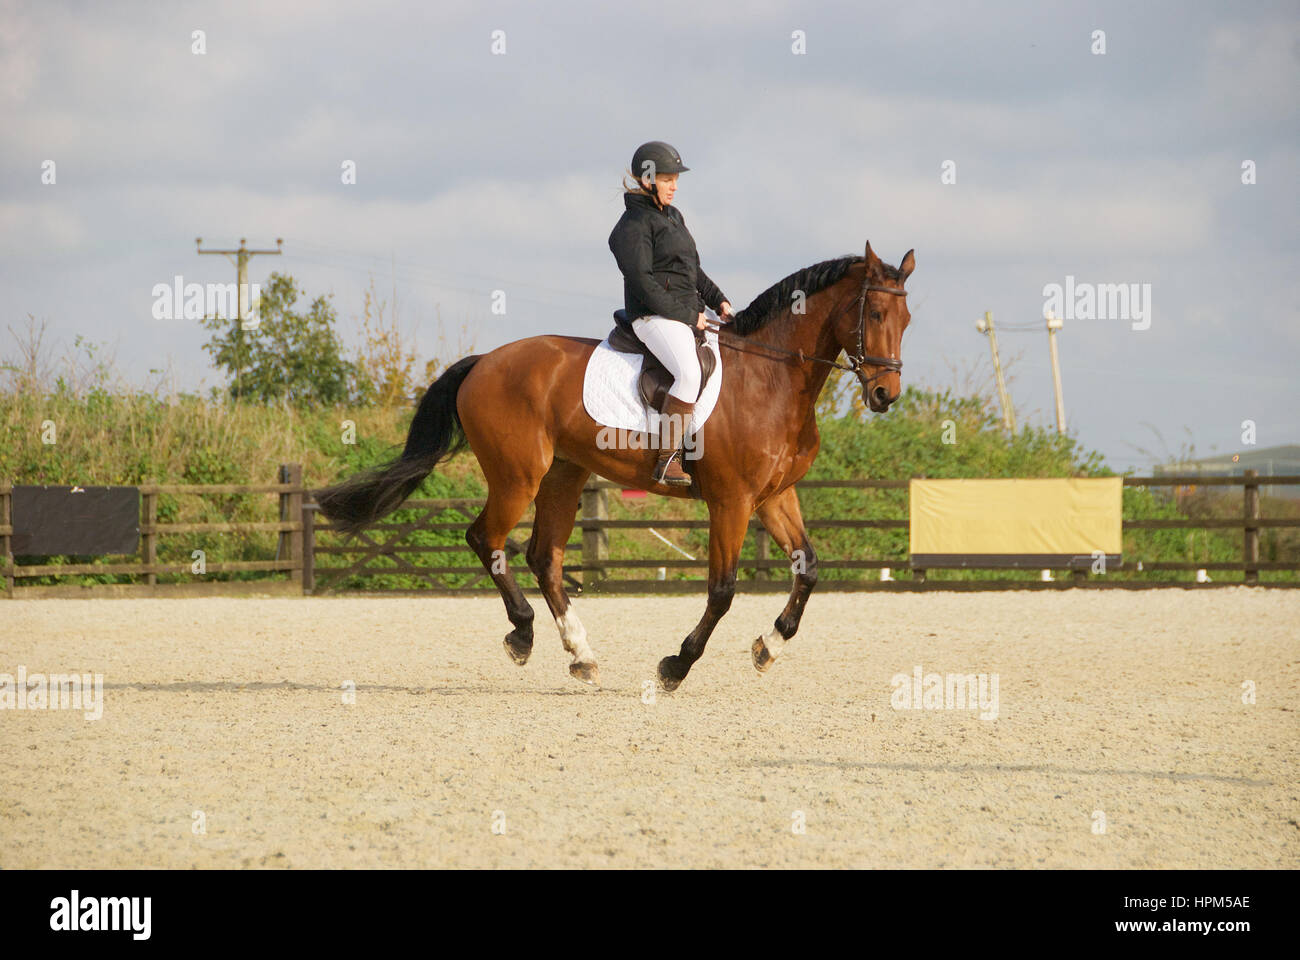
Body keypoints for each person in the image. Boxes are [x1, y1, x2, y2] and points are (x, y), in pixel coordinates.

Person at [608, 141, 733, 487]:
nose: (675, 186)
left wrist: (719, 300)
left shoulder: (673, 217)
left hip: (680, 313)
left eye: (675, 179)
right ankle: (666, 459)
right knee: (689, 374)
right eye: (667, 180)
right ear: (648, 180)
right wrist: (687, 316)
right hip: (653, 317)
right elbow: (642, 283)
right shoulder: (632, 226)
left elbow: (692, 270)